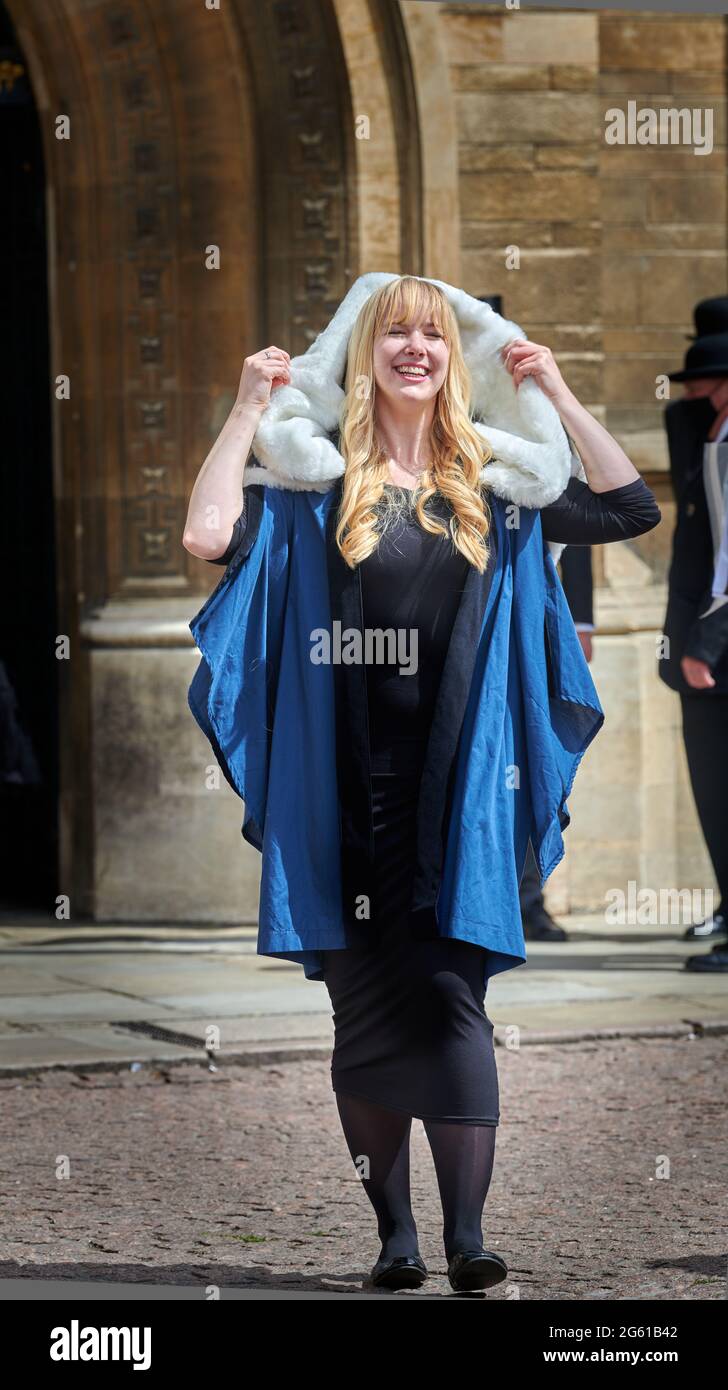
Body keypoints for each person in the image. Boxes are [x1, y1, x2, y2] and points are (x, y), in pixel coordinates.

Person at [183, 274, 660, 1293]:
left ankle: (468, 1239)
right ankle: (394, 1236)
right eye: (391, 332)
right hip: (341, 791)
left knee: (452, 998)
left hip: (460, 790)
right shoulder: (311, 485)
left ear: (457, 358)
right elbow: (203, 536)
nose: (412, 348)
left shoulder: (496, 480)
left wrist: (557, 395)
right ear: (361, 354)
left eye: (432, 335)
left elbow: (628, 507)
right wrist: (244, 413)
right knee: (360, 1012)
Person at [660, 319, 728, 973]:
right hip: (706, 636)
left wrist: (703, 643)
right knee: (712, 789)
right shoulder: (707, 432)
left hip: (718, 643)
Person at [518, 545, 595, 941]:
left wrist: (580, 621)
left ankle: (527, 901)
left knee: (531, 763)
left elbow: (572, 505)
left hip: (532, 617)